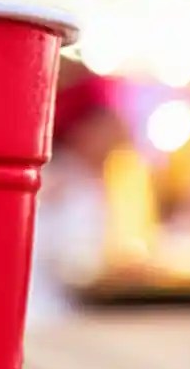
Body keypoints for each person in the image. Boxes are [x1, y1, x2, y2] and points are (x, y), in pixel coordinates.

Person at [30, 61, 123, 325]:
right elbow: (76, 264)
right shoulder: (70, 183)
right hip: (49, 315)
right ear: (84, 131)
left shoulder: (64, 176)